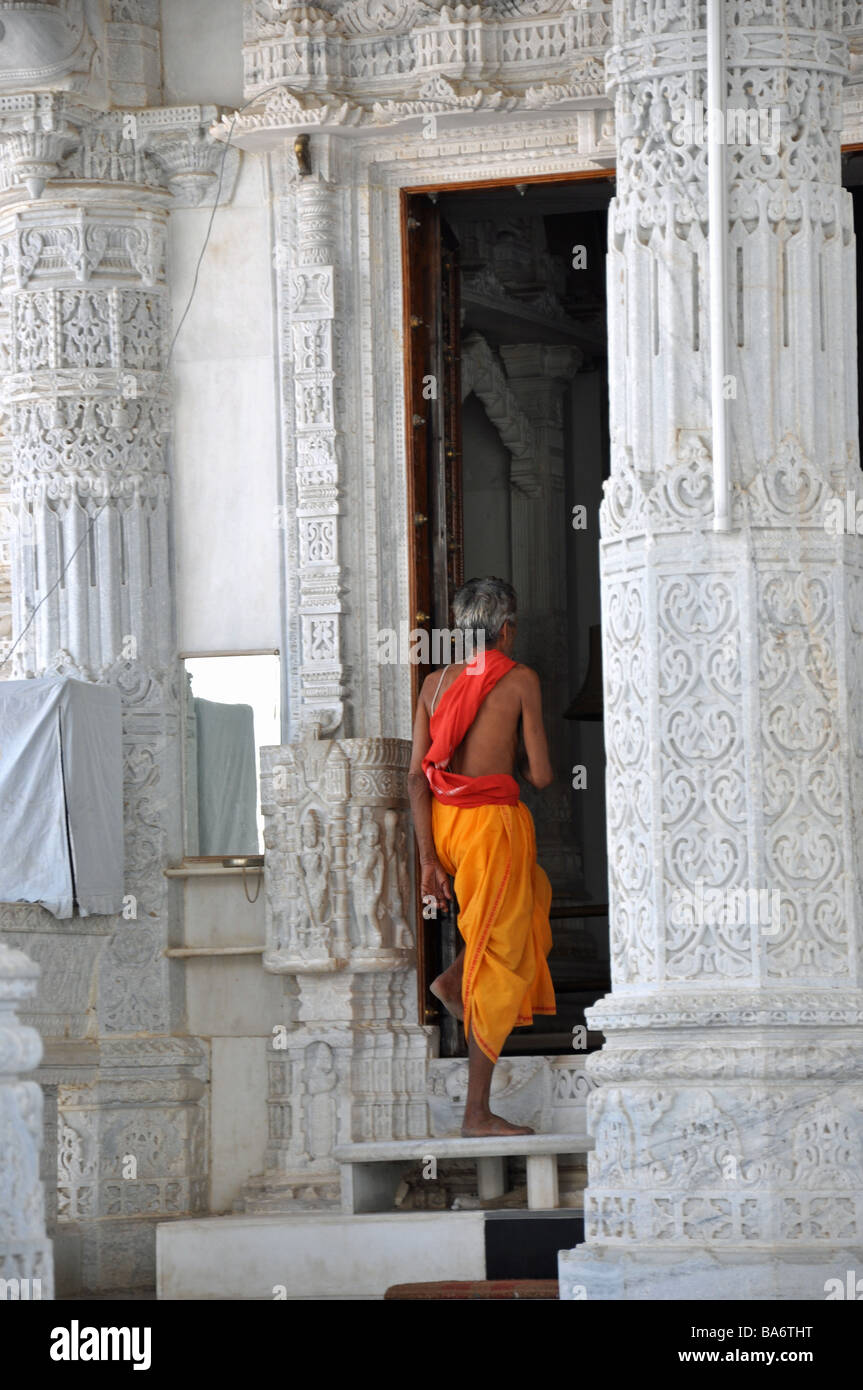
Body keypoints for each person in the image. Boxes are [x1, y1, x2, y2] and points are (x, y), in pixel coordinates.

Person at [407, 577, 556, 1137]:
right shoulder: (519, 679)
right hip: (493, 826)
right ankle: (476, 1114)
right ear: (507, 628)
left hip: (447, 828)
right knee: (497, 959)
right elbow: (539, 775)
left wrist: (427, 862)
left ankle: (452, 976)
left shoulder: (433, 685)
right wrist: (514, 748)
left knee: (523, 907)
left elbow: (417, 780)